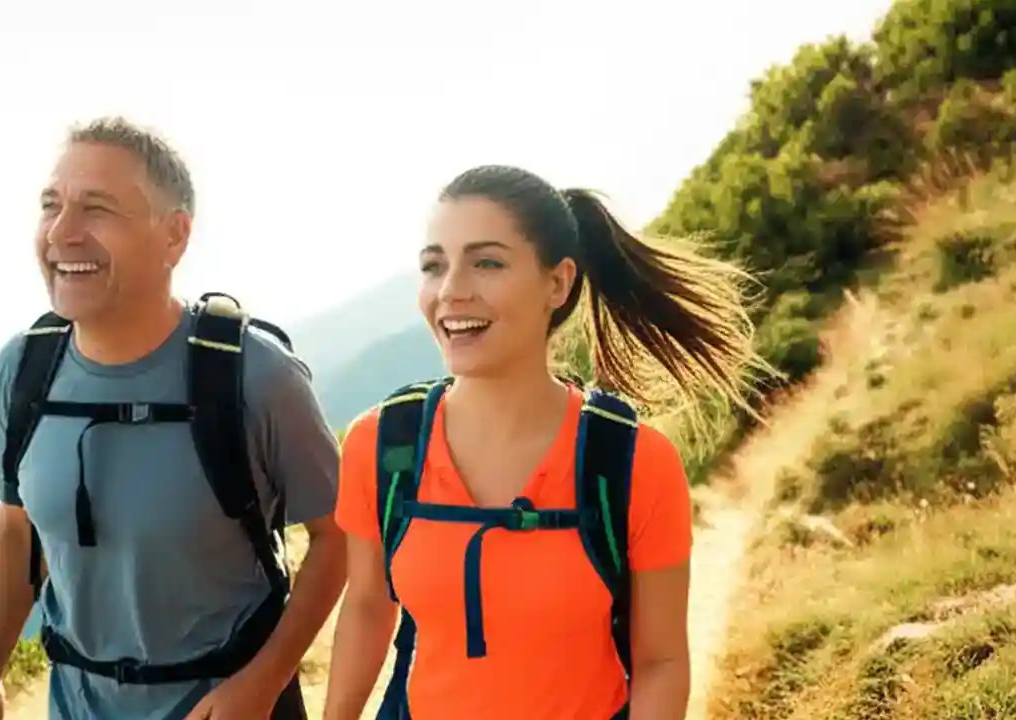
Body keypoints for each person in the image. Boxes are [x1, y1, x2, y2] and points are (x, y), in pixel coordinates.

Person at [322, 164, 770, 720]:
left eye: (486, 263)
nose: (451, 291)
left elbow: (660, 661)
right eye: (434, 266)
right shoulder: (381, 445)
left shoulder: (632, 463)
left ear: (557, 283)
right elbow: (367, 606)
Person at [0, 117, 346, 720]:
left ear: (175, 236)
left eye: (97, 208)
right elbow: (17, 531)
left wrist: (263, 682)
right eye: (50, 204)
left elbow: (337, 536)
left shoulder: (254, 376)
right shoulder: (23, 370)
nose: (62, 232)